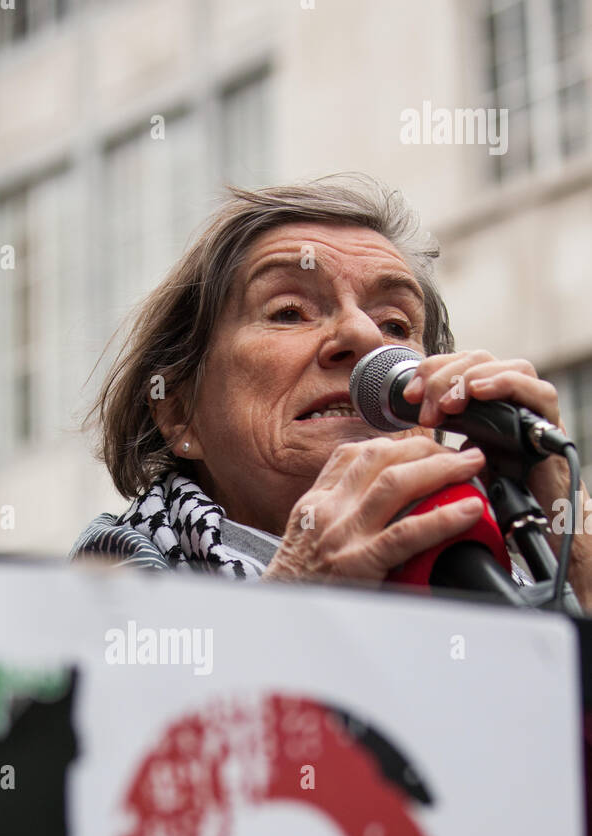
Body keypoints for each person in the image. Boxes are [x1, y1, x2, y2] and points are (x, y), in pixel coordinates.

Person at [70, 174, 592, 608]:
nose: (364, 337)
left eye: (393, 324)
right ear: (180, 414)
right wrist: (303, 603)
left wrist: (577, 552)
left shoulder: (498, 566)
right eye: (289, 312)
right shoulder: (115, 571)